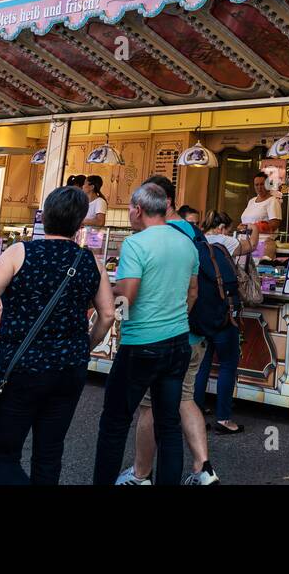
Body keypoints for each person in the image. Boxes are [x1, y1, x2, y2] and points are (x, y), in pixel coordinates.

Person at [0, 186, 116, 485]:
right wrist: (85, 346)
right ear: (80, 223)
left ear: (45, 215)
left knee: (4, 456)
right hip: (69, 369)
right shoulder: (89, 261)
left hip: (21, 366)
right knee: (49, 452)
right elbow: (108, 315)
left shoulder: (19, 252)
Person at [116, 176, 223, 485]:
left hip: (159, 337)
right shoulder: (191, 233)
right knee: (186, 399)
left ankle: (140, 474)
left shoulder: (147, 239)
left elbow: (128, 293)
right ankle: (203, 469)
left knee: (148, 408)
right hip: (191, 335)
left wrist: (119, 320)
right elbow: (191, 290)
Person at [92, 182, 199, 486]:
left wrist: (101, 293)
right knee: (168, 425)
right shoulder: (186, 243)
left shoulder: (135, 244)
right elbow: (193, 292)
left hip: (141, 345)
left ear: (138, 210)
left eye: (128, 208)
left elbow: (127, 295)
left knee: (114, 424)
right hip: (178, 342)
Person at [193, 210, 249, 434]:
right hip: (224, 314)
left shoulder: (195, 245)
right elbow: (250, 246)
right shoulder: (226, 242)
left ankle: (195, 414)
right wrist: (250, 232)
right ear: (222, 227)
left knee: (202, 365)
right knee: (227, 365)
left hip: (202, 314)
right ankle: (224, 418)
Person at [241, 171, 282, 261]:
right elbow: (245, 221)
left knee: (258, 271)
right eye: (256, 185)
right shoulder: (251, 201)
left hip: (262, 243)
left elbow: (274, 225)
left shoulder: (272, 201)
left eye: (262, 184)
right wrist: (242, 226)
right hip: (245, 243)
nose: (259, 187)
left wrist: (256, 227)